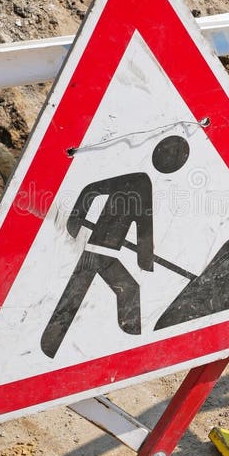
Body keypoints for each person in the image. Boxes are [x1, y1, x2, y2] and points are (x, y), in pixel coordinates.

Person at [40, 135, 190, 358]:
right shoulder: (140, 182)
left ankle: (52, 346)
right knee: (110, 290)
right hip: (98, 252)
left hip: (103, 253)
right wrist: (145, 260)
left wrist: (75, 222)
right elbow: (143, 227)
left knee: (105, 290)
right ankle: (125, 351)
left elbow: (140, 223)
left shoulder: (139, 181)